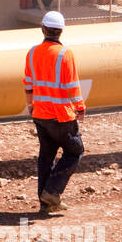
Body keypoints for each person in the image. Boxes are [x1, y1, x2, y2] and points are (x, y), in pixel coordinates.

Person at [22, 11, 85, 213]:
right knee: (75, 152)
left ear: (43, 29)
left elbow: (28, 84)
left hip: (40, 114)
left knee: (46, 156)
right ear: (61, 31)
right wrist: (80, 107)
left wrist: (30, 106)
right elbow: (72, 85)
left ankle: (45, 202)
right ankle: (52, 191)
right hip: (61, 115)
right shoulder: (65, 54)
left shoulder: (32, 53)